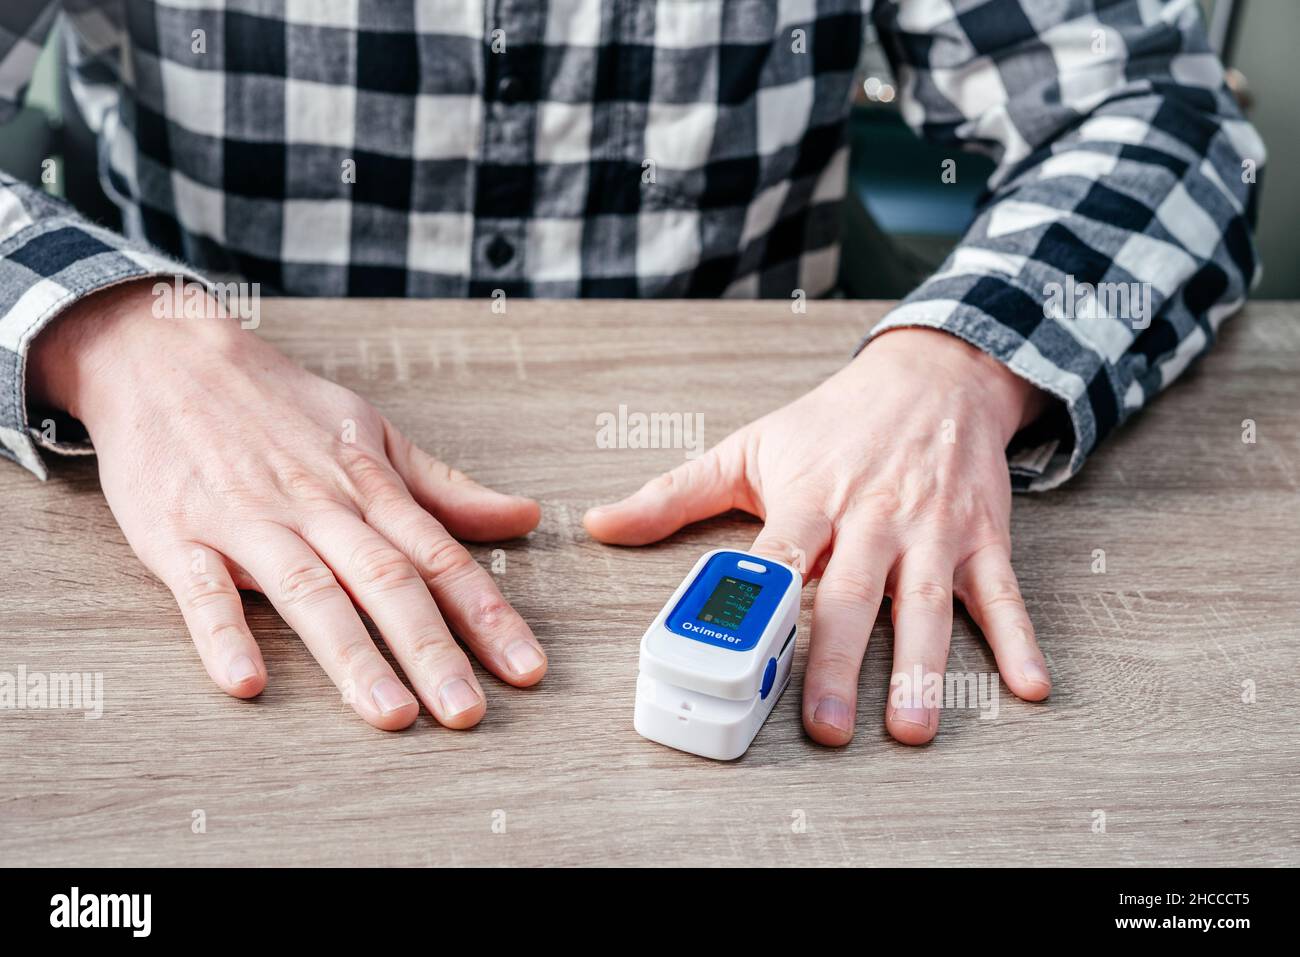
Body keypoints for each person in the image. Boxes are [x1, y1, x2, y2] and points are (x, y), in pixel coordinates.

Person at [0, 1, 1263, 744]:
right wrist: (108, 335)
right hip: (197, 466)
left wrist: (963, 363)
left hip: (787, 445)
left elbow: (1162, 111)